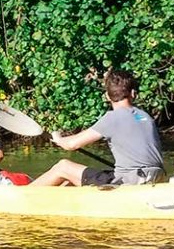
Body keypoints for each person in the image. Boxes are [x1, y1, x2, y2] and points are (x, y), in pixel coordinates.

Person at [31, 69, 164, 187]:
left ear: (107, 96)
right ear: (133, 93)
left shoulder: (112, 118)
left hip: (130, 182)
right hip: (156, 178)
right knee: (70, 180)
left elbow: (71, 144)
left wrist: (58, 138)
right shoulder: (146, 117)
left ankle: (22, 195)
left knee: (63, 167)